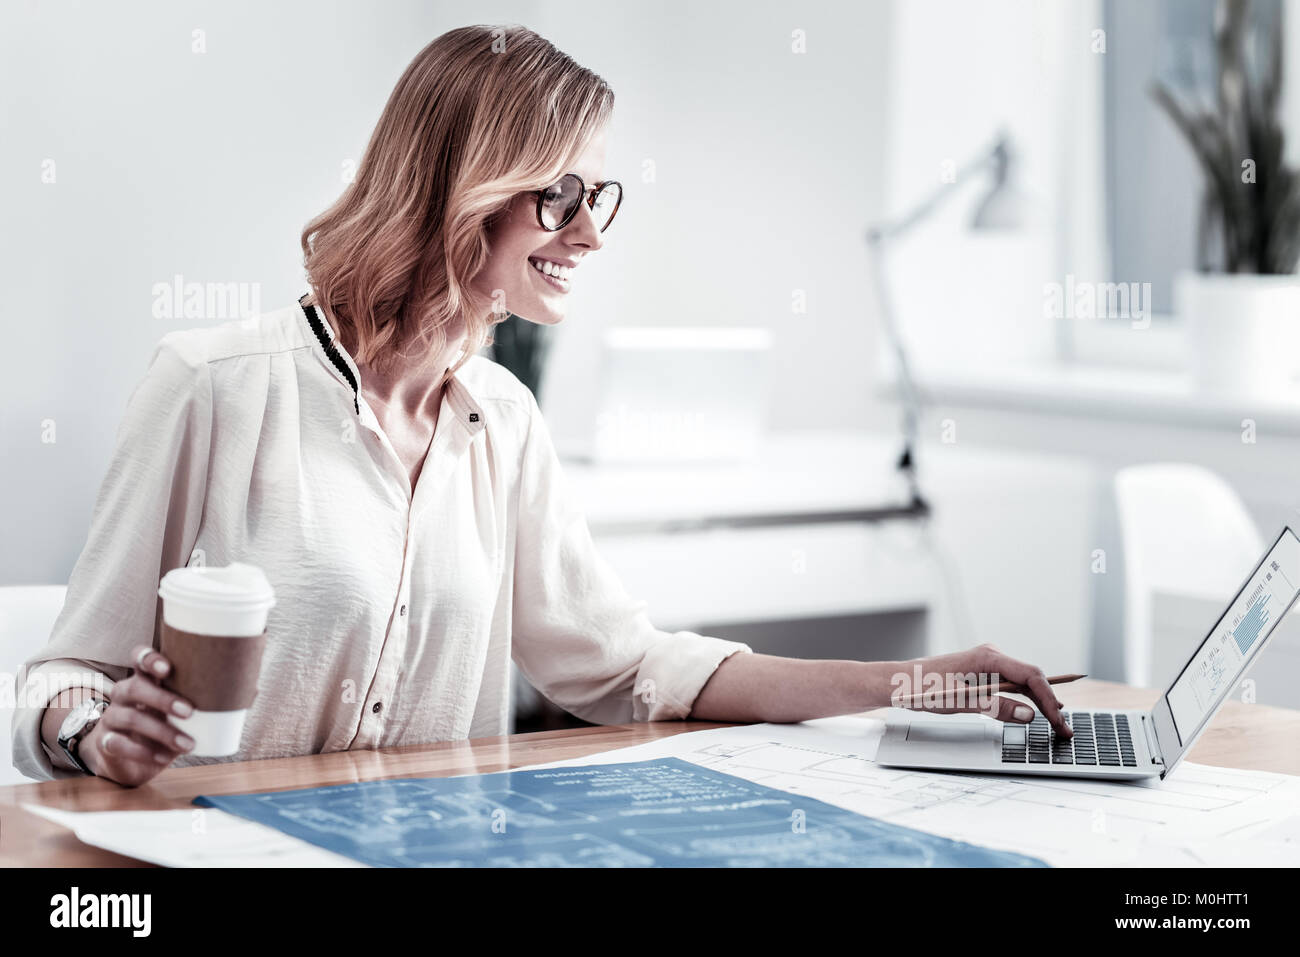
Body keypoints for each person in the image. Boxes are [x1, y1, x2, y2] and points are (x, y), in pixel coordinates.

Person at [13, 24, 1070, 787]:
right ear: (461, 186)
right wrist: (94, 732)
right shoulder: (214, 386)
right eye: (558, 195)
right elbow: (64, 676)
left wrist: (913, 683)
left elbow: (630, 667)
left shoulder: (502, 421)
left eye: (596, 194)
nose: (590, 234)